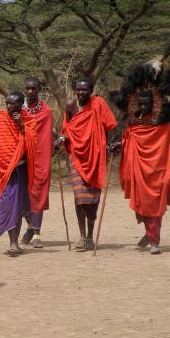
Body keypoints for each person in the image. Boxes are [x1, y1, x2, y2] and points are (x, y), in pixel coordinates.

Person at [56, 78, 118, 252]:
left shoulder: (98, 104)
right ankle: (82, 236)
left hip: (95, 155)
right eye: (78, 90)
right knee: (79, 197)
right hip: (76, 156)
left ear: (91, 91)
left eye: (85, 90)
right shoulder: (70, 106)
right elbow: (67, 128)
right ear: (75, 90)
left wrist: (107, 143)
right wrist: (62, 138)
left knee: (92, 198)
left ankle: (89, 237)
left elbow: (108, 125)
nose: (81, 93)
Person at [116, 90, 170, 255]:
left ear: (153, 104)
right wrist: (119, 145)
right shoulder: (133, 121)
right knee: (143, 203)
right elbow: (128, 139)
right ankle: (150, 235)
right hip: (138, 168)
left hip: (158, 169)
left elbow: (167, 147)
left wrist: (167, 170)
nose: (143, 106)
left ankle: (154, 241)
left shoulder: (163, 122)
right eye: (140, 103)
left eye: (146, 103)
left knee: (156, 203)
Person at [0, 91, 37, 255]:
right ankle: (14, 241)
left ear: (21, 104)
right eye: (7, 103)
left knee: (19, 206)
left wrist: (22, 125)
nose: (10, 106)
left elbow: (33, 142)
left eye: (13, 103)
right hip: (3, 172)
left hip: (21, 170)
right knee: (8, 205)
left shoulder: (28, 120)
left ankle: (16, 242)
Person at [21, 77, 53, 248]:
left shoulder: (45, 111)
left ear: (39, 90)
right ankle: (29, 225)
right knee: (21, 195)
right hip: (21, 158)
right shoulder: (18, 109)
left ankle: (37, 232)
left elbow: (45, 137)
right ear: (24, 89)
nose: (31, 91)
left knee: (38, 193)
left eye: (34, 88)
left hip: (40, 158)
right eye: (28, 88)